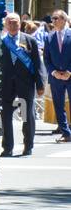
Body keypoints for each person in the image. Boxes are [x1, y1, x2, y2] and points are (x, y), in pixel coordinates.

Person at [0, 12, 41, 157]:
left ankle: (28, 146)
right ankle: (7, 148)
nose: (12, 24)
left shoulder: (30, 41)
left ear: (20, 24)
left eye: (15, 22)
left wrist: (40, 84)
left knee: (26, 115)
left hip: (26, 84)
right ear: (5, 24)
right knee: (5, 116)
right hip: (6, 85)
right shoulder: (0, 42)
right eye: (9, 22)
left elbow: (37, 63)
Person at [43, 10, 71, 143]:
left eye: (56, 18)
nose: (53, 21)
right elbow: (46, 59)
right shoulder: (49, 37)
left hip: (70, 75)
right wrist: (54, 72)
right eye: (52, 19)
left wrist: (69, 72)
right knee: (59, 106)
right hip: (55, 78)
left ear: (64, 20)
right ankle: (66, 133)